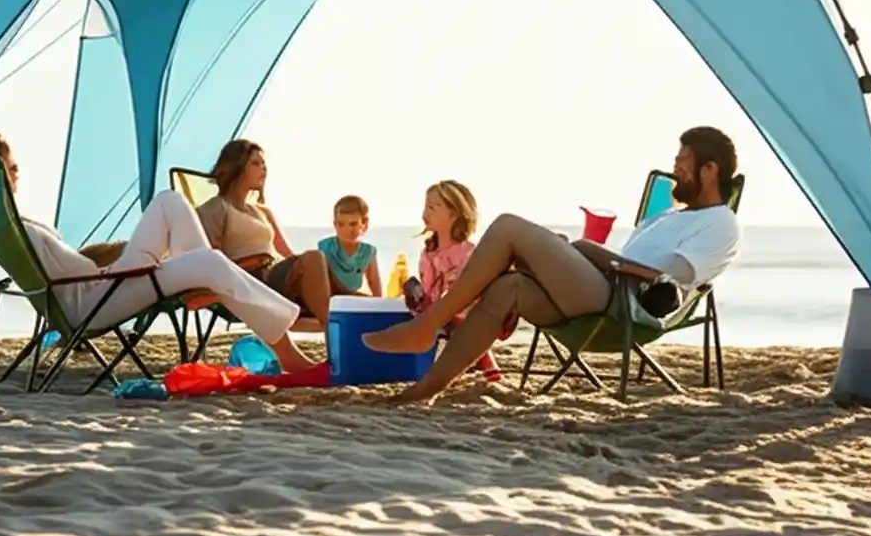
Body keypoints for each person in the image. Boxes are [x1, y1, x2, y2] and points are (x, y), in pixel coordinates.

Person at [365, 126, 742, 402]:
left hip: (626, 303)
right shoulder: (666, 218)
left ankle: (427, 325)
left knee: (509, 227)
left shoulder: (721, 222)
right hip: (598, 287)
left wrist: (591, 258)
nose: (675, 168)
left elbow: (667, 286)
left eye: (683, 162)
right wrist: (579, 254)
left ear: (710, 171)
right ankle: (428, 388)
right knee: (506, 287)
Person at [0, 133, 316, 373]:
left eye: (14, 168)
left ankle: (197, 279)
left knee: (170, 201)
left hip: (104, 285)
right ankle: (286, 352)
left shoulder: (6, 225)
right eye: (8, 168)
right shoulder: (18, 227)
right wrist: (109, 266)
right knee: (211, 261)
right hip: (98, 298)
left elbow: (62, 270)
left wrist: (115, 261)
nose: (16, 174)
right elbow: (73, 273)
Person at [196, 139, 335, 333]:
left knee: (340, 288)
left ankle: (342, 321)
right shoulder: (216, 209)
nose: (263, 169)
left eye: (264, 164)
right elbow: (213, 259)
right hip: (251, 279)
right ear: (236, 166)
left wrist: (310, 273)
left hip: (274, 274)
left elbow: (286, 252)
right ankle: (334, 331)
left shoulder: (263, 212)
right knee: (315, 259)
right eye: (255, 163)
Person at [405, 180, 503, 382]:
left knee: (460, 320)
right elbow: (431, 292)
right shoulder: (429, 253)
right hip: (443, 312)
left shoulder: (467, 252)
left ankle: (488, 367)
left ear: (453, 214)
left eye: (432, 208)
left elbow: (479, 290)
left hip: (474, 313)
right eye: (425, 206)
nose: (425, 213)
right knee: (415, 296)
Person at [317, 195, 382, 296]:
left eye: (353, 224)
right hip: (330, 297)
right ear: (335, 224)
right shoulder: (325, 247)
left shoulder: (368, 252)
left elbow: (375, 285)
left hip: (351, 297)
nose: (347, 230)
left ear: (364, 223)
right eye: (341, 224)